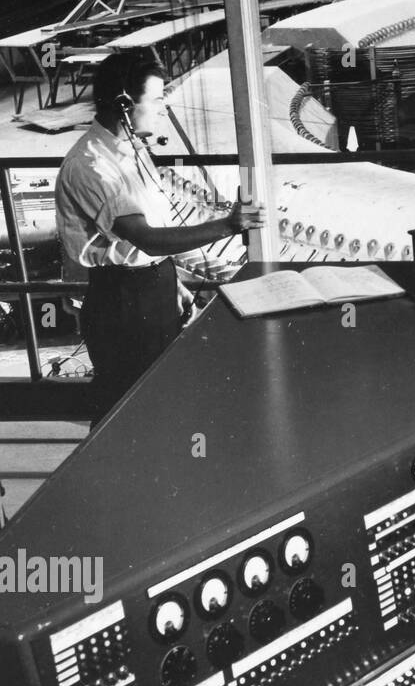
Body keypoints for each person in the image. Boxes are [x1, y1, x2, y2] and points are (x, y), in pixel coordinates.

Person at [55, 51, 264, 414]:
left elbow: (147, 244)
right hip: (122, 302)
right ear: (124, 103)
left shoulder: (130, 149)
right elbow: (147, 239)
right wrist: (229, 225)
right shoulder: (92, 165)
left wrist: (172, 283)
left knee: (162, 399)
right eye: (156, 99)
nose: (163, 108)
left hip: (151, 288)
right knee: (127, 410)